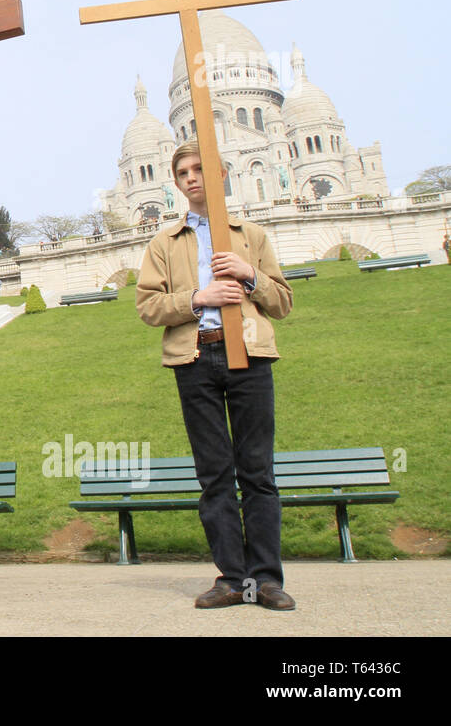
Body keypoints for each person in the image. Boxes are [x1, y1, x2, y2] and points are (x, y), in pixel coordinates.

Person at [136, 140, 295, 611]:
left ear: (222, 174)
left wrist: (250, 276)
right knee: (214, 475)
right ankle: (231, 578)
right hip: (196, 360)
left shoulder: (254, 236)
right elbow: (148, 307)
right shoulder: (164, 243)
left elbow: (282, 303)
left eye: (199, 169)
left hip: (250, 356)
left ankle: (266, 580)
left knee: (258, 472)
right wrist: (196, 299)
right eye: (182, 171)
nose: (190, 178)